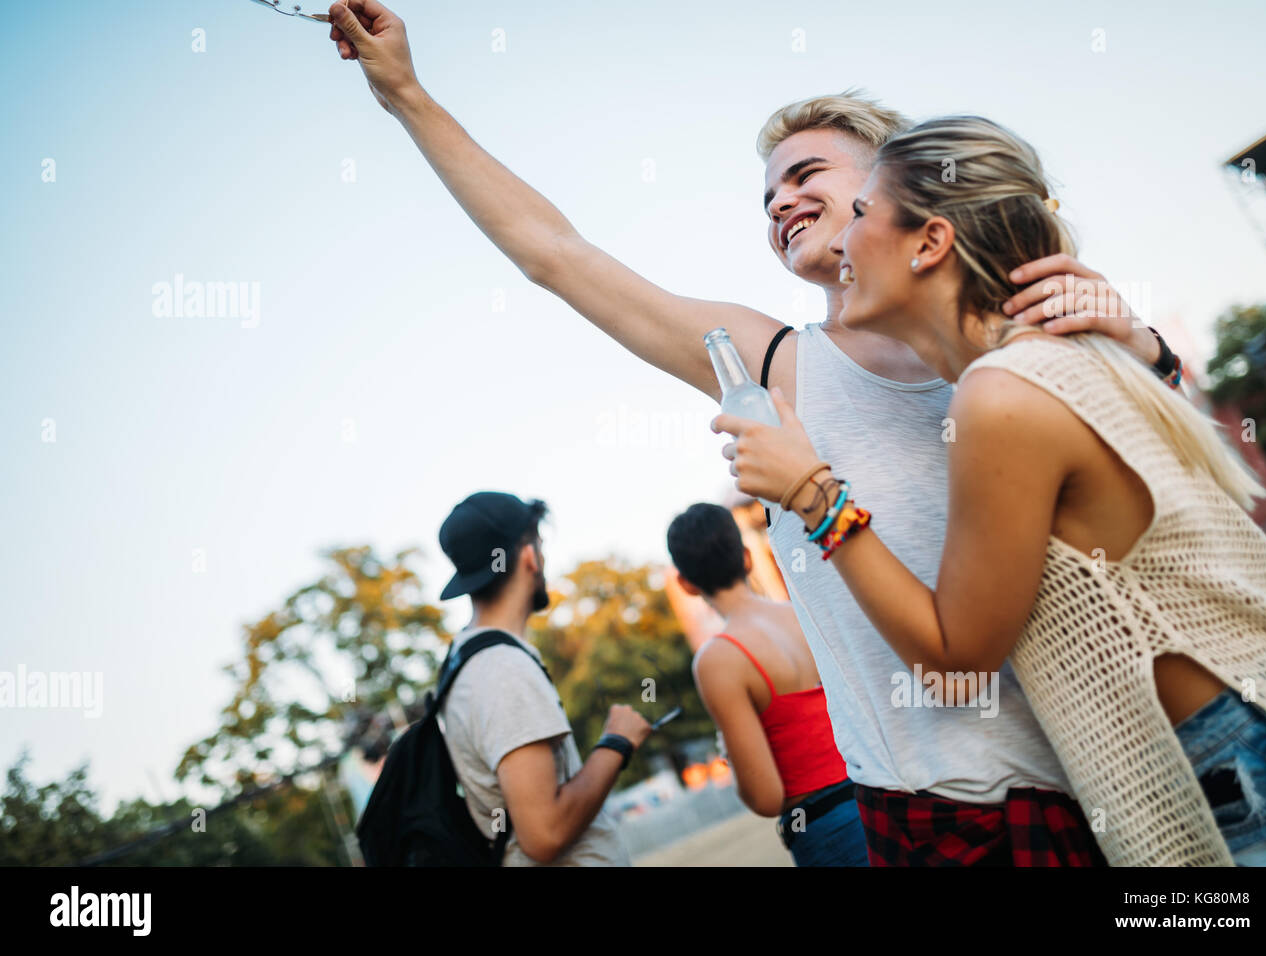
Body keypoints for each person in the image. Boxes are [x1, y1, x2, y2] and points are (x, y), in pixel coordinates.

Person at [324, 0, 1175, 864]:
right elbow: (556, 253)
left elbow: (1175, 495)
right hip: (905, 815)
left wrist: (1149, 348)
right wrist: (406, 95)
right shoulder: (777, 366)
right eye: (768, 194)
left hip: (1090, 786)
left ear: (898, 185)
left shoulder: (1010, 341)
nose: (780, 201)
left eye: (806, 173)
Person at [715, 115, 1266, 866]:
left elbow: (957, 666)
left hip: (1237, 776)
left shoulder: (1000, 395)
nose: (843, 243)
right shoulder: (1047, 364)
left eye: (860, 214)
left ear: (929, 243)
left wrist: (812, 494)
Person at [436, 491, 652, 866]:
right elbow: (544, 833)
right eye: (540, 544)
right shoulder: (502, 671)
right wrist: (617, 743)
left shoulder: (466, 662)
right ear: (528, 556)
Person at [668, 503, 870, 866]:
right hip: (880, 798)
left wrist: (733, 759)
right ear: (746, 558)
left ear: (685, 583)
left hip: (827, 830)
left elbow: (765, 796)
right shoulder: (802, 612)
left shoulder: (719, 660)